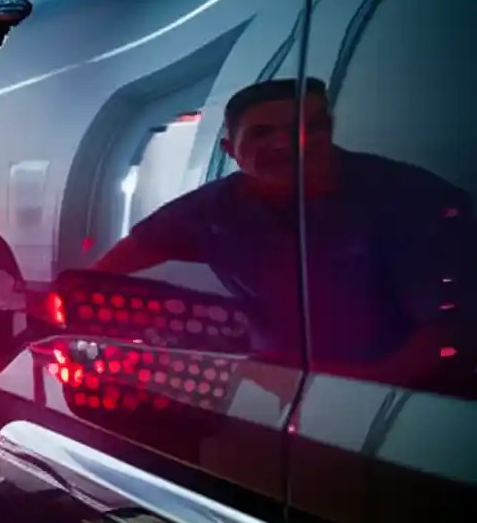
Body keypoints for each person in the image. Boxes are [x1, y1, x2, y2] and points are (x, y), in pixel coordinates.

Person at [91, 78, 473, 389]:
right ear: (230, 150)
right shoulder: (213, 209)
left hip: (410, 409)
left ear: (329, 130)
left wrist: (339, 390)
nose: (288, 144)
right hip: (275, 395)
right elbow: (120, 262)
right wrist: (74, 307)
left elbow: (447, 335)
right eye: (261, 133)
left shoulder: (411, 199)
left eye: (309, 127)